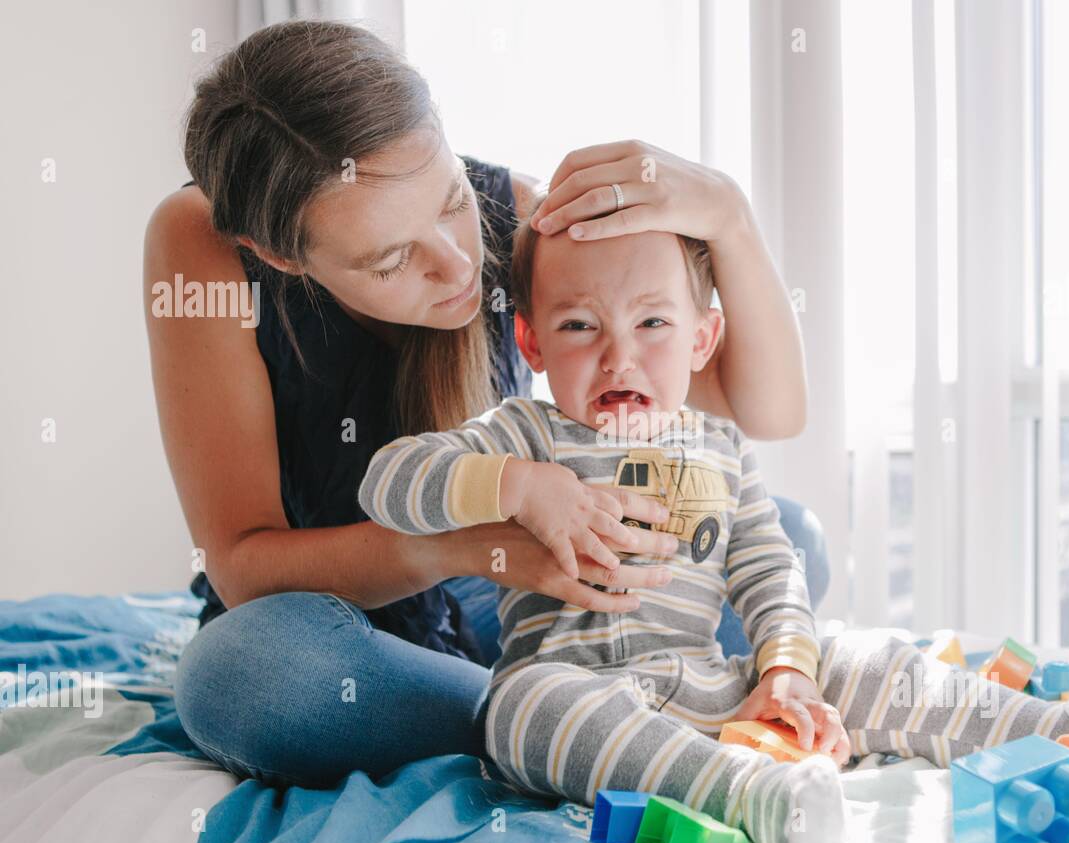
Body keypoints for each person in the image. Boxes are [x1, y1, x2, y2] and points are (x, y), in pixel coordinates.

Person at [357, 211, 1069, 843]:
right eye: (579, 327)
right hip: (579, 694)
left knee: (861, 656)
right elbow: (387, 484)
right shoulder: (523, 432)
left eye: (652, 324)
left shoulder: (718, 445)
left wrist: (788, 673)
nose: (619, 358)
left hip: (709, 688)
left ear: (702, 338)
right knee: (518, 705)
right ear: (532, 342)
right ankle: (748, 795)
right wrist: (515, 486)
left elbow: (768, 567)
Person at [144, 19, 821, 789]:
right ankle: (549, 717)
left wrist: (729, 216)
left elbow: (765, 411)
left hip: (497, 606)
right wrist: (472, 542)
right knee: (243, 677)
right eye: (394, 259)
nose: (459, 262)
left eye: (450, 198)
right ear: (279, 256)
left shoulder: (526, 215)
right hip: (339, 618)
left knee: (791, 540)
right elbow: (239, 564)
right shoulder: (201, 243)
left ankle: (573, 719)